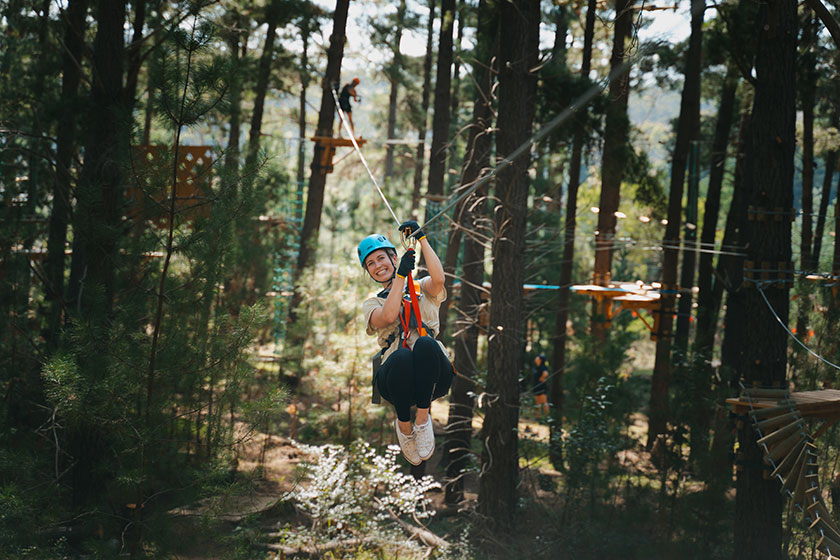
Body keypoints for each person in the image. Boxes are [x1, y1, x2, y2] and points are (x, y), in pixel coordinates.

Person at [358, 221, 453, 465]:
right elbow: (389, 316)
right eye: (371, 264)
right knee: (401, 356)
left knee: (424, 344)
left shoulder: (421, 287)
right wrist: (400, 276)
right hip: (396, 378)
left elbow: (439, 279)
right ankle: (403, 424)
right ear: (368, 272)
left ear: (393, 257)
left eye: (381, 258)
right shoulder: (372, 303)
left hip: (433, 373)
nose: (377, 266)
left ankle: (422, 419)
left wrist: (421, 238)